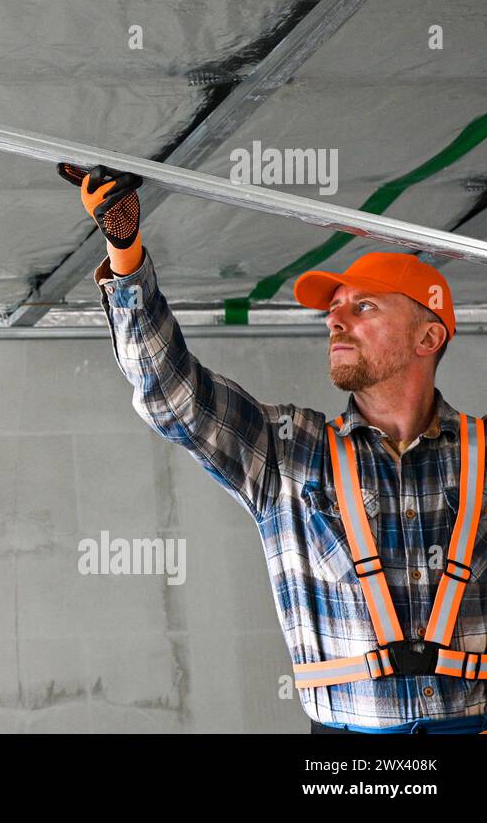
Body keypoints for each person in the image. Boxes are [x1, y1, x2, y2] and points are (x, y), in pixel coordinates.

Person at [73, 163, 484, 734]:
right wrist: (125, 252)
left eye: (363, 307)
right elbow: (171, 396)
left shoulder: (483, 453)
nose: (335, 321)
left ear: (428, 336)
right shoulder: (290, 450)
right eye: (332, 311)